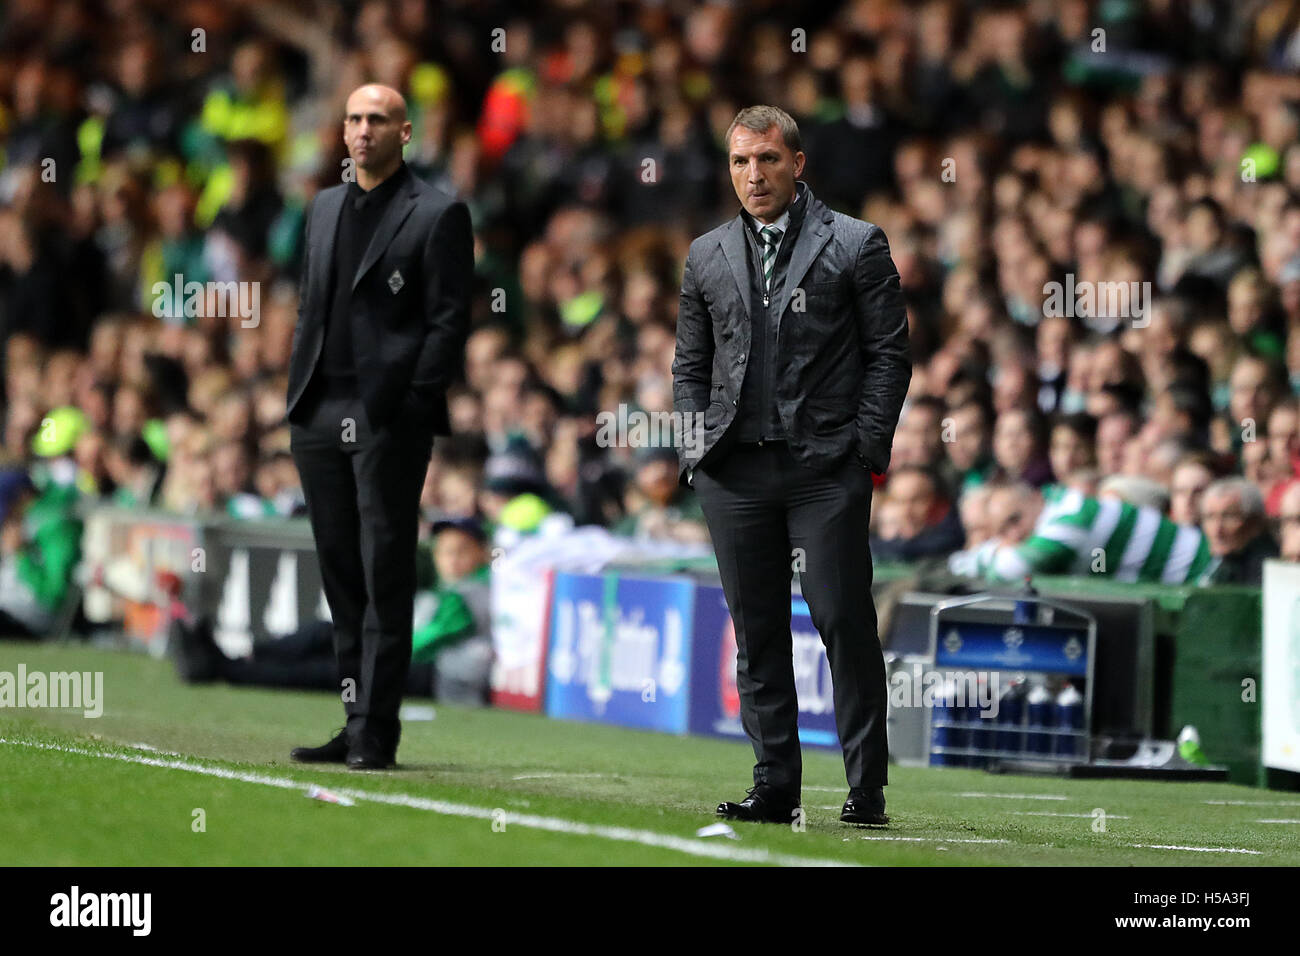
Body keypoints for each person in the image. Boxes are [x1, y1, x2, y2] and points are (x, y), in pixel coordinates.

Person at [671, 105, 910, 827]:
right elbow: (690, 364)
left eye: (769, 160)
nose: (755, 175)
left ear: (797, 164)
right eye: (742, 162)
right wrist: (694, 449)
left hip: (823, 471)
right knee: (758, 632)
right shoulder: (706, 253)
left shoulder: (857, 243)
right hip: (733, 473)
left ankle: (866, 787)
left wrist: (865, 449)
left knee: (843, 621)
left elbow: (889, 356)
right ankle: (775, 785)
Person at [284, 84, 473, 770]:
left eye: (378, 120)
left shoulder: (439, 212)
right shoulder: (325, 207)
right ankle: (351, 716)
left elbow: (450, 319)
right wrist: (296, 394)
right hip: (317, 411)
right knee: (341, 576)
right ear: (342, 130)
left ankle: (376, 731)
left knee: (383, 571)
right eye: (355, 119)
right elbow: (311, 304)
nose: (364, 130)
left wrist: (412, 401)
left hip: (384, 416)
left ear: (405, 131)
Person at [170, 516, 492, 704]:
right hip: (412, 663)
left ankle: (225, 668)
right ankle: (232, 657)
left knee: (332, 670)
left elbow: (422, 643)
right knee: (327, 632)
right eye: (445, 551)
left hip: (438, 679)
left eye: (461, 551)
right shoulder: (449, 588)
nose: (451, 559)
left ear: (483, 553)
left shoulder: (472, 593)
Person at [949, 478, 1213, 584]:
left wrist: (991, 552)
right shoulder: (1057, 502)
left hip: (1212, 575)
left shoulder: (1072, 518)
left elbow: (1010, 569)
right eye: (1003, 531)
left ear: (1036, 500)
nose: (1014, 535)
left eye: (1015, 519)